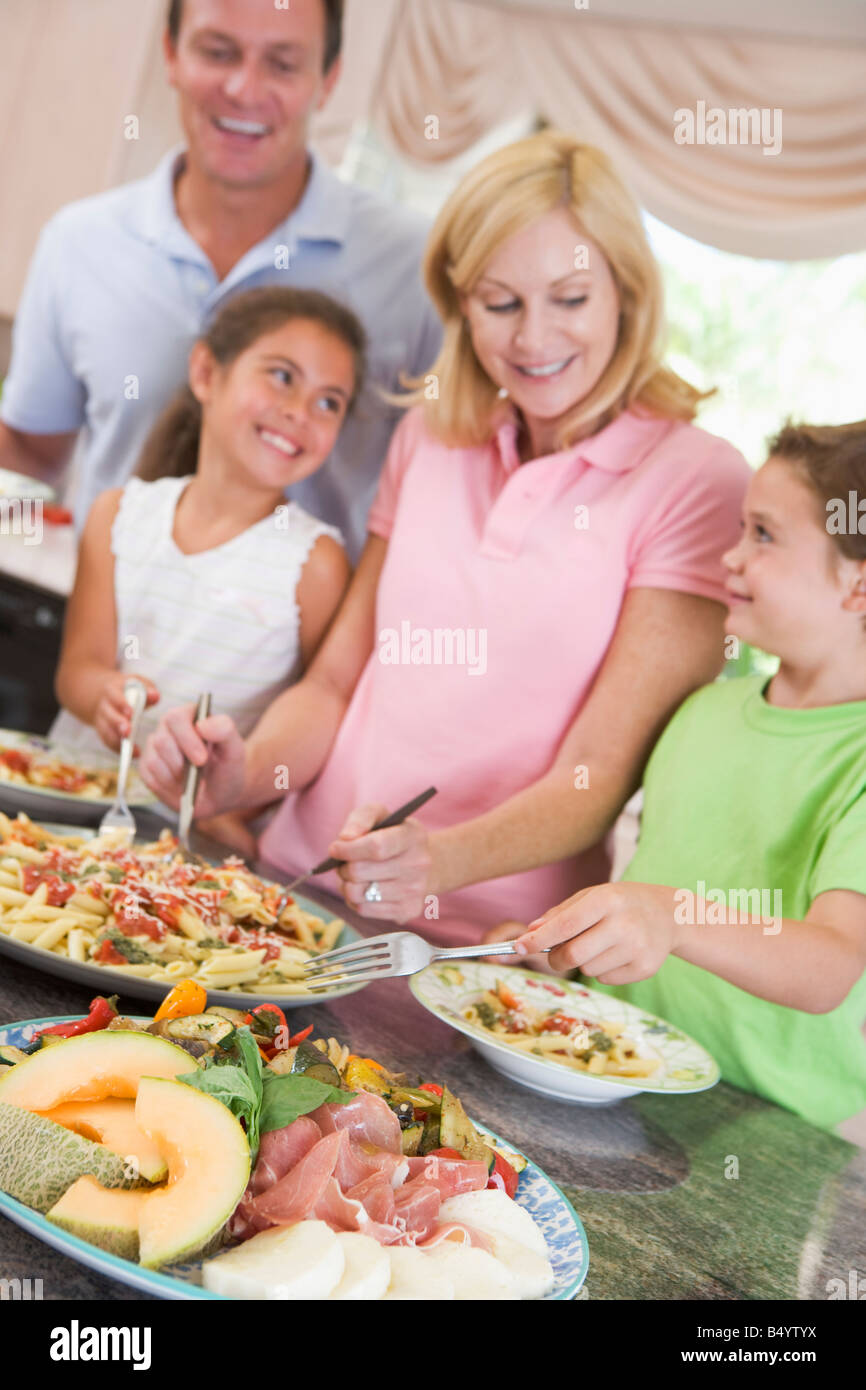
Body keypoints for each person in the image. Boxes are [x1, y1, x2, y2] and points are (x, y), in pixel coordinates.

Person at [140, 131, 751, 943]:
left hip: (485, 948)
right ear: (461, 301)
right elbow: (337, 684)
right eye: (501, 303)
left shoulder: (696, 481)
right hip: (296, 883)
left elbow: (600, 776)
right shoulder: (431, 436)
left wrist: (438, 863)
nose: (534, 340)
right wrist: (246, 774)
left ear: (627, 295)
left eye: (570, 300)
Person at [506, 421, 866, 1136]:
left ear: (857, 585)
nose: (730, 555)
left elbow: (832, 966)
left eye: (764, 535)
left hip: (765, 1133)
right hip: (622, 1068)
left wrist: (671, 915)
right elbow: (655, 908)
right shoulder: (704, 708)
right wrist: (572, 960)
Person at [0, 0, 439, 560]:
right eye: (218, 51)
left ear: (327, 80)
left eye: (282, 63)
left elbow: (439, 504)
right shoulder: (80, 243)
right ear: (171, 54)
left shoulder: (415, 266)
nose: (243, 88)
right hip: (102, 632)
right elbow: (33, 454)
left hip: (310, 645)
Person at [53, 287, 363, 853]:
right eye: (281, 376)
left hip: (189, 836)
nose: (299, 411)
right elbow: (77, 668)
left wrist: (243, 802)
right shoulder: (119, 515)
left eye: (329, 402)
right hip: (72, 801)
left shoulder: (313, 562)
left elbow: (311, 725)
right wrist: (102, 692)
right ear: (205, 373)